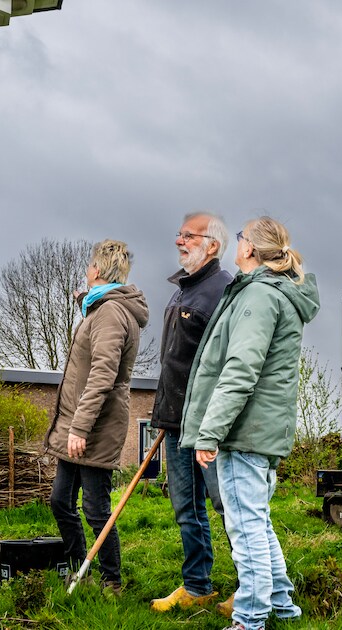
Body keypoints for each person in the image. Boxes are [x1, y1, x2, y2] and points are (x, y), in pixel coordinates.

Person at [181, 217, 320, 630]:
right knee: (256, 522)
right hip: (258, 430)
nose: (237, 242)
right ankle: (282, 606)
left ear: (250, 250)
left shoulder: (258, 295)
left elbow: (241, 368)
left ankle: (250, 618)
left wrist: (211, 432)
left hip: (245, 432)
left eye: (240, 237)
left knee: (246, 531)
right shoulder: (268, 292)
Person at [44, 240, 149, 592]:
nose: (86, 270)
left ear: (98, 272)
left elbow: (103, 373)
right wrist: (84, 302)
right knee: (61, 500)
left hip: (93, 427)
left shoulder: (109, 313)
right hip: (80, 424)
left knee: (96, 508)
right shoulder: (101, 309)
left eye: (89, 266)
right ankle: (79, 569)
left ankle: (111, 580)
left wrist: (80, 427)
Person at [149, 213, 234, 613]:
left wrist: (216, 424)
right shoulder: (182, 289)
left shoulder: (223, 291)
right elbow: (174, 359)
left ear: (212, 245)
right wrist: (164, 413)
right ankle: (197, 585)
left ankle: (252, 589)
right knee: (187, 508)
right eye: (178, 234)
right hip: (175, 419)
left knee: (226, 504)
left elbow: (226, 364)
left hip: (207, 423)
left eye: (189, 235)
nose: (179, 241)